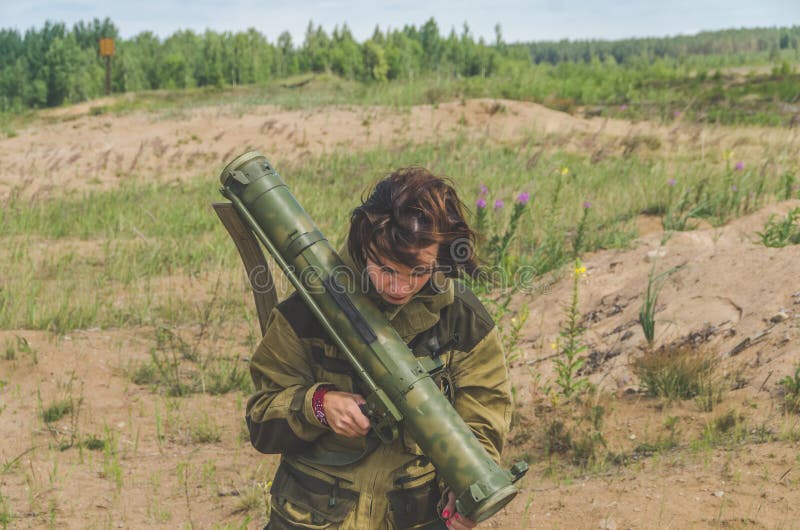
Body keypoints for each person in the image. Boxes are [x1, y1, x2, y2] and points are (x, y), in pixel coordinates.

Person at [246, 167, 512, 529]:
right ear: (364, 241)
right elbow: (261, 418)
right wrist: (318, 405)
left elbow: (484, 415)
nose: (399, 287)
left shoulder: (462, 322)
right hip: (316, 513)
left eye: (417, 272)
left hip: (414, 515)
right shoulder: (308, 312)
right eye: (386, 268)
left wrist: (464, 487)